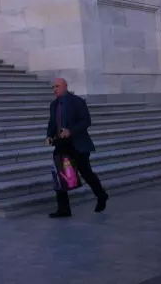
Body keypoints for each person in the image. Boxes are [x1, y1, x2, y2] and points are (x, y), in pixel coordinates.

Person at [45, 77, 108, 217]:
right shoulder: (53, 105)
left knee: (86, 172)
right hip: (61, 144)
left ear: (65, 86)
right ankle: (64, 209)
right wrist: (49, 136)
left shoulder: (77, 102)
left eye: (57, 86)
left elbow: (86, 121)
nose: (55, 89)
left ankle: (101, 195)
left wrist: (70, 131)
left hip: (77, 143)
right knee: (60, 174)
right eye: (53, 87)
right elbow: (52, 123)